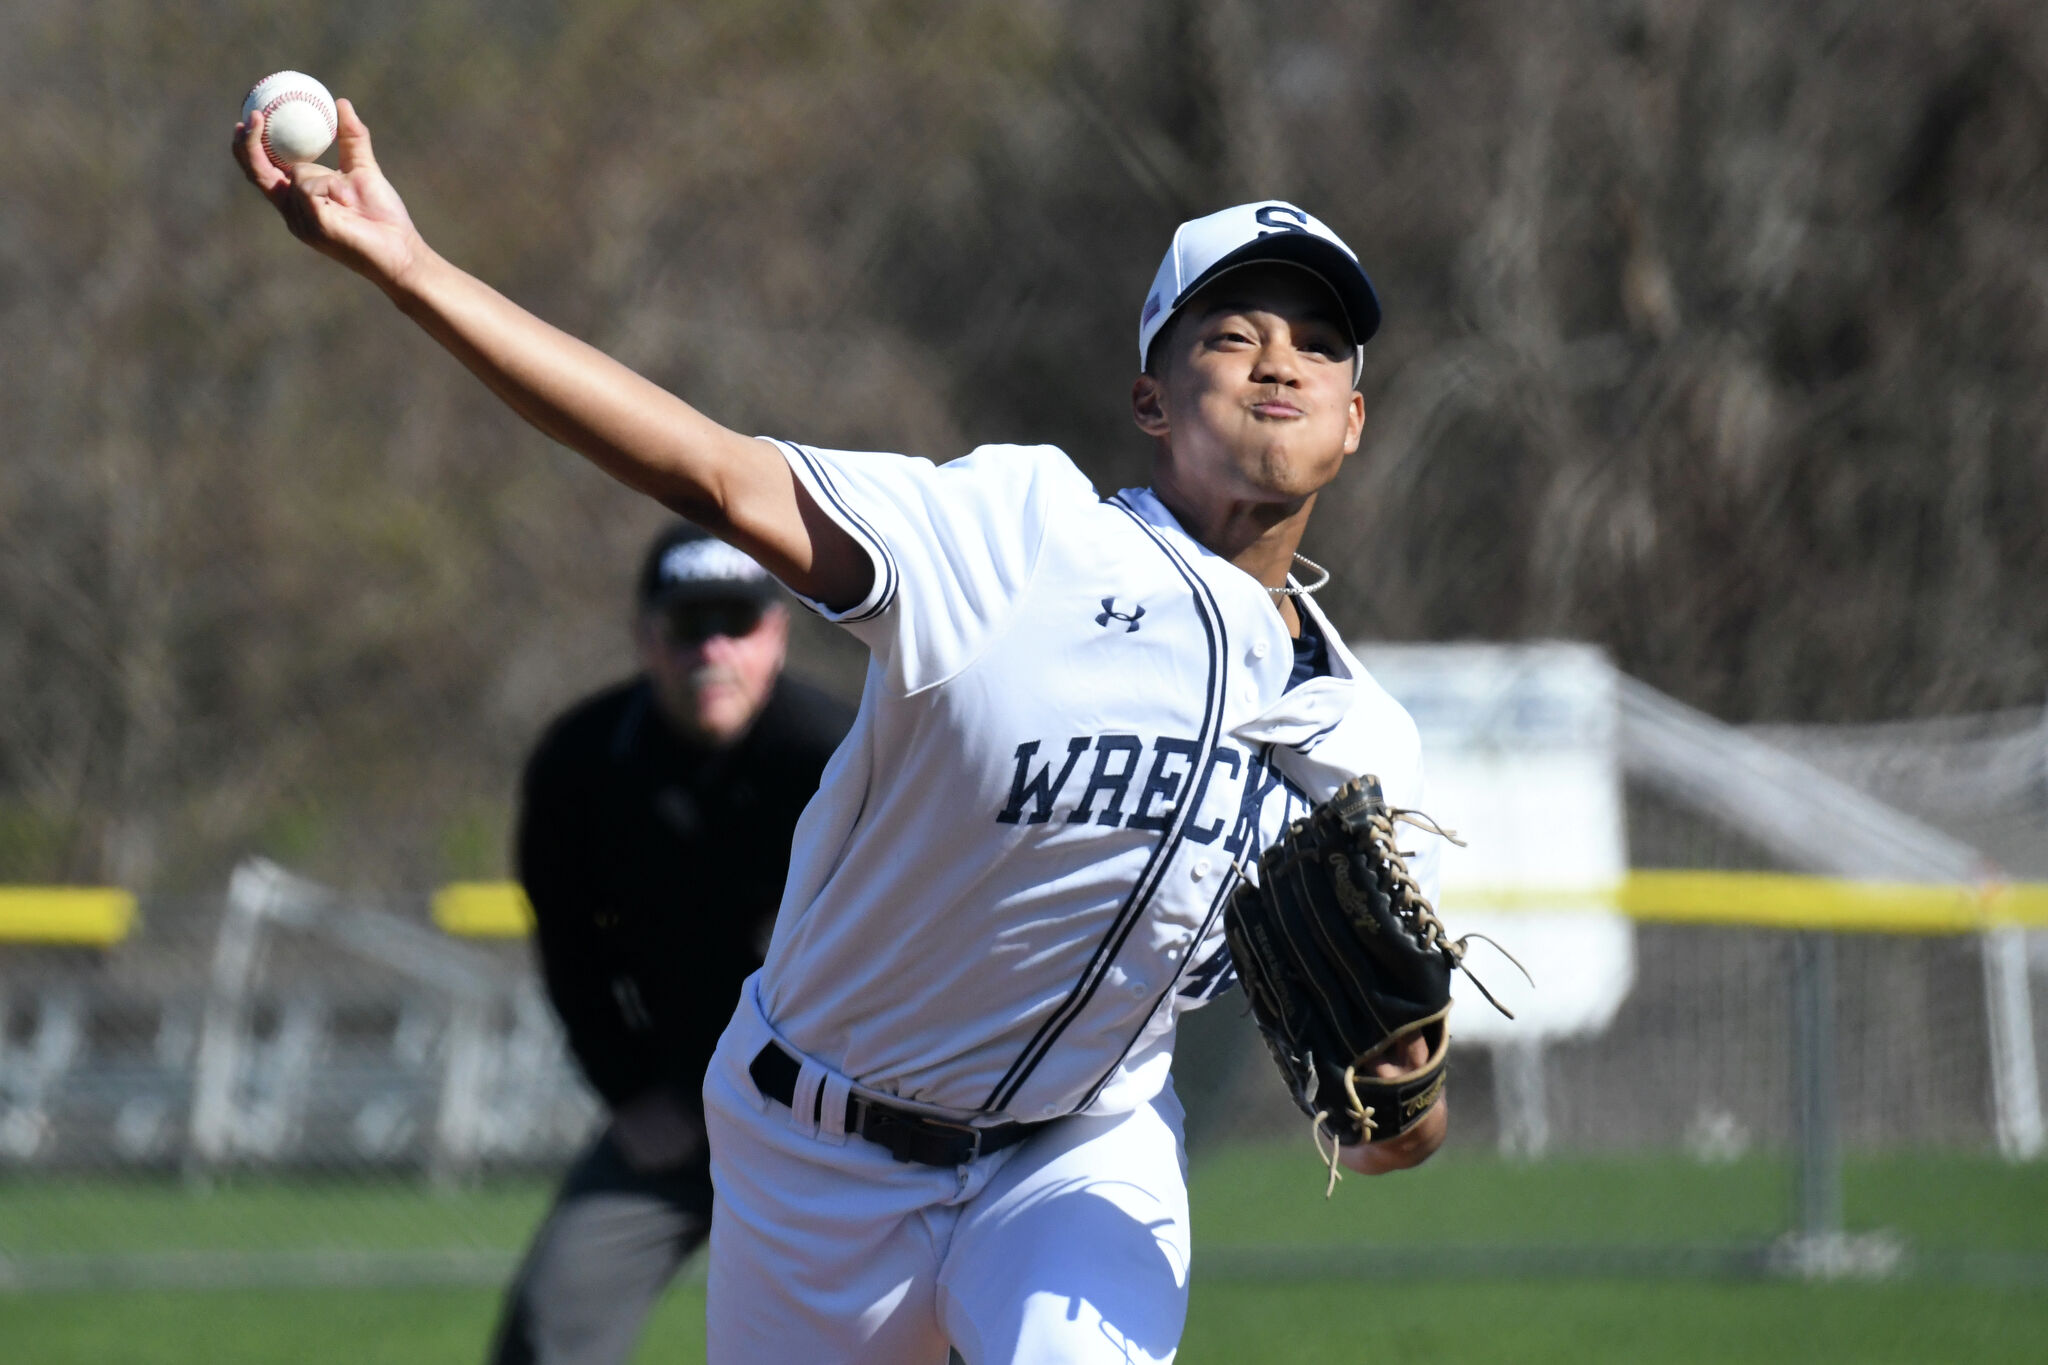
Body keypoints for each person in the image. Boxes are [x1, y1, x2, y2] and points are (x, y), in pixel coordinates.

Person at [237, 101, 1449, 1365]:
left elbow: (1382, 1131)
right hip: (816, 1161)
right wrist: (413, 271)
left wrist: (1402, 1097)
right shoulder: (1016, 534)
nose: (1279, 361)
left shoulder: (1355, 740)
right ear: (1150, 397)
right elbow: (710, 473)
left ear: (1352, 420)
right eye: (1231, 333)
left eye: (1318, 344)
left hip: (1081, 1154)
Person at [488, 525, 853, 1365]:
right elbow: (571, 949)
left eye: (737, 620)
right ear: (646, 635)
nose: (712, 647)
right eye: (688, 623)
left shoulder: (838, 757)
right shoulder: (583, 763)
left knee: (919, 1329)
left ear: (778, 632)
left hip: (836, 1126)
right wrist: (626, 1091)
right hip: (680, 1113)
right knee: (550, 1324)